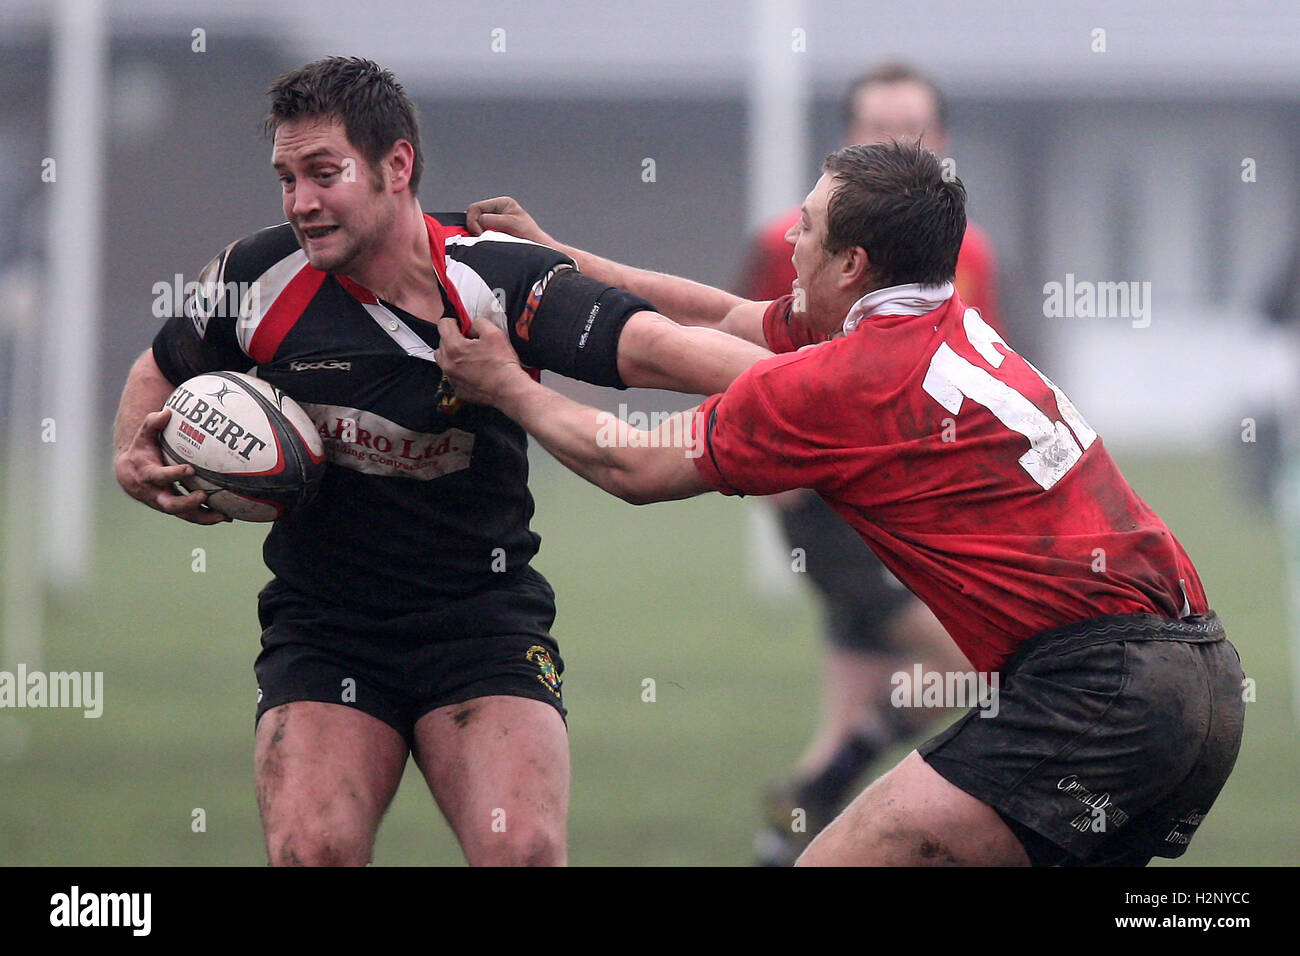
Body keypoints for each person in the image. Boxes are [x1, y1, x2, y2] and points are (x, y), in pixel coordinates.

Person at [434, 140, 1245, 866]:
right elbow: (723, 314)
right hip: (1199, 677)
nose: (789, 237)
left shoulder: (845, 382)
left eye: (808, 225)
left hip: (1099, 689)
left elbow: (630, 466)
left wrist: (504, 385)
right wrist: (562, 260)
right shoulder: (935, 319)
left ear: (852, 261)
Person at [111, 56, 769, 867]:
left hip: (480, 618)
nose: (301, 202)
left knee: (521, 851)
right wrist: (128, 455)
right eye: (286, 178)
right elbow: (162, 365)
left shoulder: (496, 276)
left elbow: (668, 351)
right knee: (311, 851)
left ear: (397, 165)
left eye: (324, 173)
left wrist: (823, 390)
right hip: (326, 624)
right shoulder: (256, 274)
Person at [739, 61, 1001, 865]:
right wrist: (778, 483)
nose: (894, 142)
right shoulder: (790, 238)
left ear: (944, 144)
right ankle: (833, 803)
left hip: (917, 508)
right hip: (830, 502)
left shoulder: (969, 253)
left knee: (848, 718)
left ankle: (787, 835)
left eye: (911, 127)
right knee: (979, 655)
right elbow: (736, 343)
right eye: (875, 127)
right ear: (844, 142)